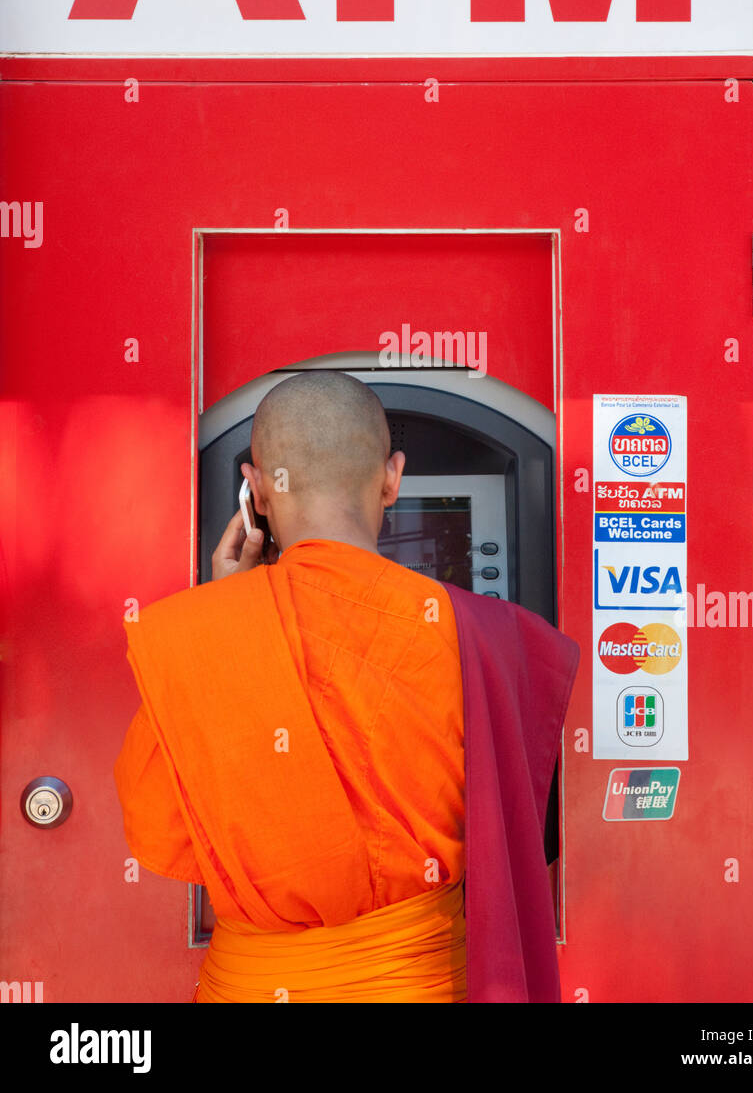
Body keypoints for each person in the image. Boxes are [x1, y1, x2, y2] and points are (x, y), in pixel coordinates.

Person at [114, 371, 579, 1003]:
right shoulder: (485, 635)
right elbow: (524, 832)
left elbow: (159, 833)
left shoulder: (196, 634)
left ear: (255, 488)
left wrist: (228, 617)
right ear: (393, 477)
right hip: (422, 986)